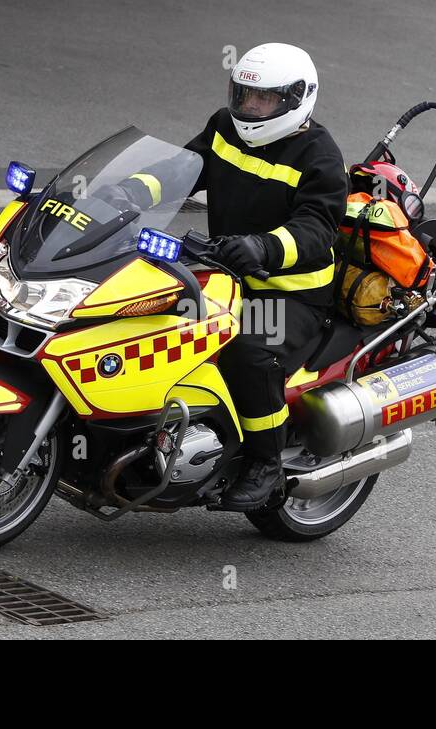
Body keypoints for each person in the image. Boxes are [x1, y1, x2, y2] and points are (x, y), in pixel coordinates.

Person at [111, 42, 347, 511]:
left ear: (298, 98)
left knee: (247, 349)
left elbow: (318, 229)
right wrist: (126, 192)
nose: (250, 108)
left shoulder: (320, 156)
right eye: (244, 96)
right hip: (226, 275)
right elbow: (182, 169)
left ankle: (265, 462)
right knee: (145, 319)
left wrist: (264, 246)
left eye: (264, 100)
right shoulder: (225, 127)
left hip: (289, 295)